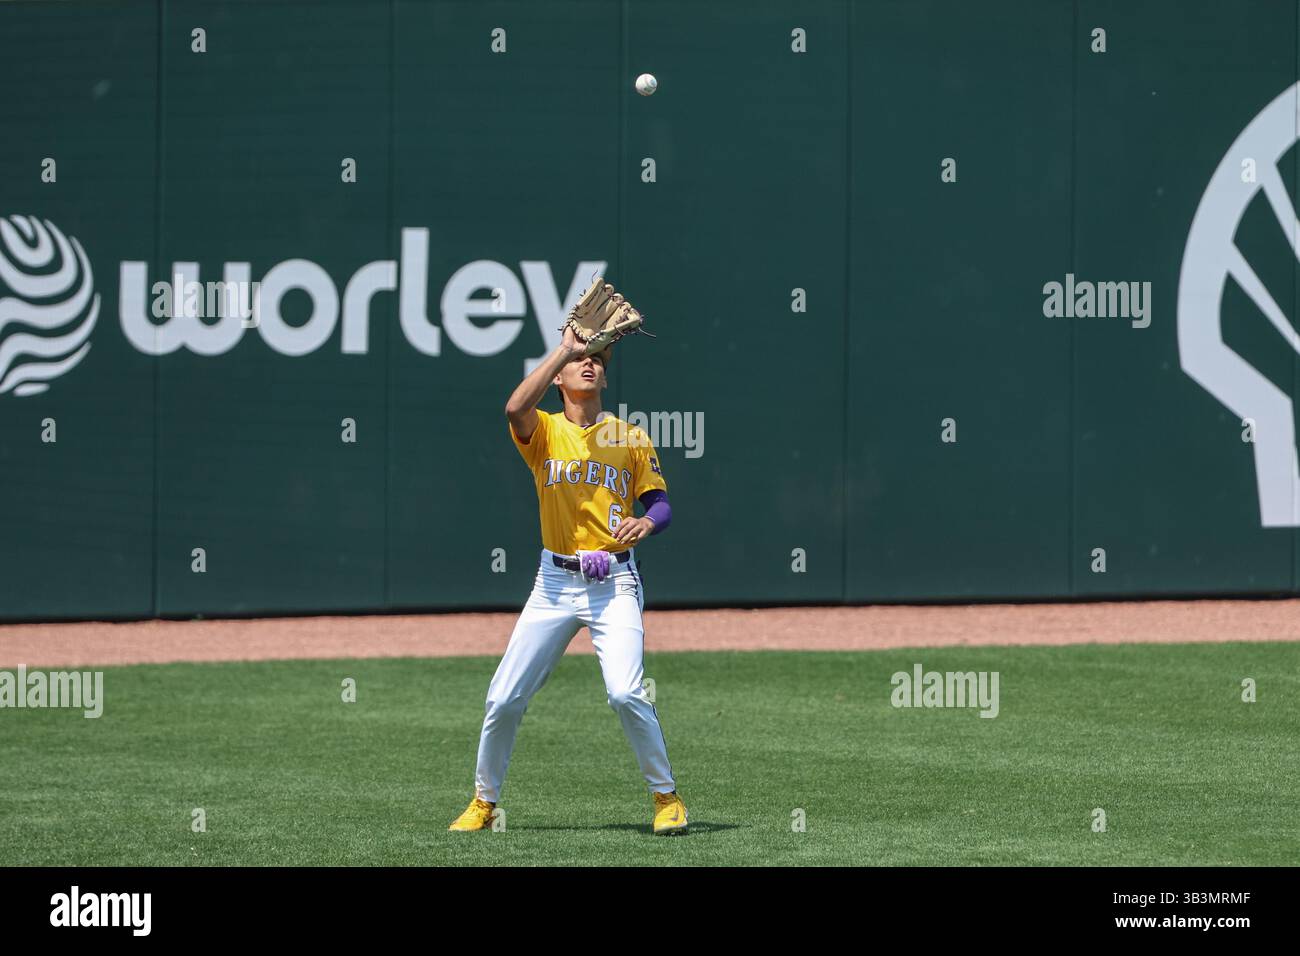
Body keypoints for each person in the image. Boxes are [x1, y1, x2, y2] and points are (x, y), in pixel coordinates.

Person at [448, 325, 687, 835]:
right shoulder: (547, 432)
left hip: (615, 582)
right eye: (582, 359)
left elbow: (660, 505)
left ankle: (666, 797)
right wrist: (564, 348)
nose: (590, 364)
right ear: (558, 376)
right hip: (553, 583)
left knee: (625, 693)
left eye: (599, 359)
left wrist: (645, 523)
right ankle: (483, 801)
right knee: (503, 697)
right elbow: (514, 410)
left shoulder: (629, 435)